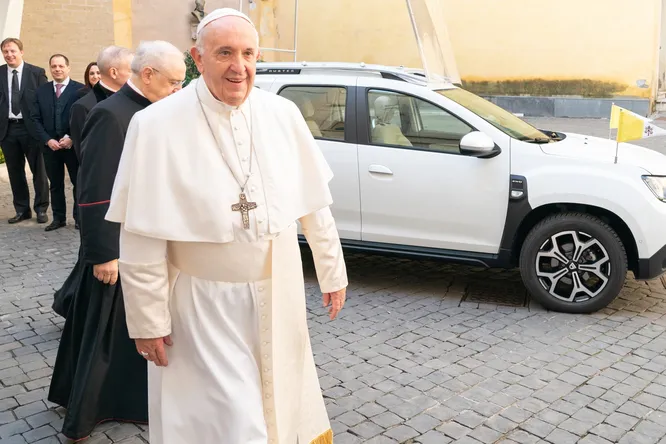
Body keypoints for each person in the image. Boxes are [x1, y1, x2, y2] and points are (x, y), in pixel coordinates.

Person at [106, 8, 348, 444]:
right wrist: (146, 319)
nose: (240, 67)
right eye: (225, 53)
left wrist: (332, 270)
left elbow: (315, 203)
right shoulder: (154, 124)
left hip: (279, 292)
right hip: (201, 307)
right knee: (230, 425)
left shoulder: (283, 114)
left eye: (248, 53)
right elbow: (142, 234)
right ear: (197, 57)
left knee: (280, 410)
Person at [47, 40, 186, 441]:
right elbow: (94, 190)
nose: (178, 89)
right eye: (174, 81)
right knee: (104, 334)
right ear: (148, 75)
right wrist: (105, 253)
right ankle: (88, 412)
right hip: (117, 248)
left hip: (143, 242)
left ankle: (126, 401)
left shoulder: (149, 110)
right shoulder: (112, 115)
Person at [51, 45, 133, 318]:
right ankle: (69, 303)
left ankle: (69, 302)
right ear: (114, 71)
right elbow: (84, 157)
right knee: (89, 260)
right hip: (95, 192)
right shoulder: (84, 105)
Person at [30, 54, 84, 231]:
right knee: (55, 184)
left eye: (61, 66)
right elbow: (34, 119)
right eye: (54, 66)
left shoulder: (80, 90)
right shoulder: (41, 91)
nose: (57, 69)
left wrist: (71, 137)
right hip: (50, 147)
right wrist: (47, 140)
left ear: (68, 68)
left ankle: (79, 218)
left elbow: (84, 119)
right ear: (50, 69)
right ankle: (59, 218)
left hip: (72, 146)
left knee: (78, 182)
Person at [0, 37, 49, 224]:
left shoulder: (36, 73)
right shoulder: (0, 73)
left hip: (32, 130)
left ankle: (41, 209)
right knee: (15, 172)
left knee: (39, 171)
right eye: (5, 51)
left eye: (12, 51)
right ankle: (22, 210)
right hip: (8, 130)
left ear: (21, 52)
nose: (9, 54)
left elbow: (45, 102)